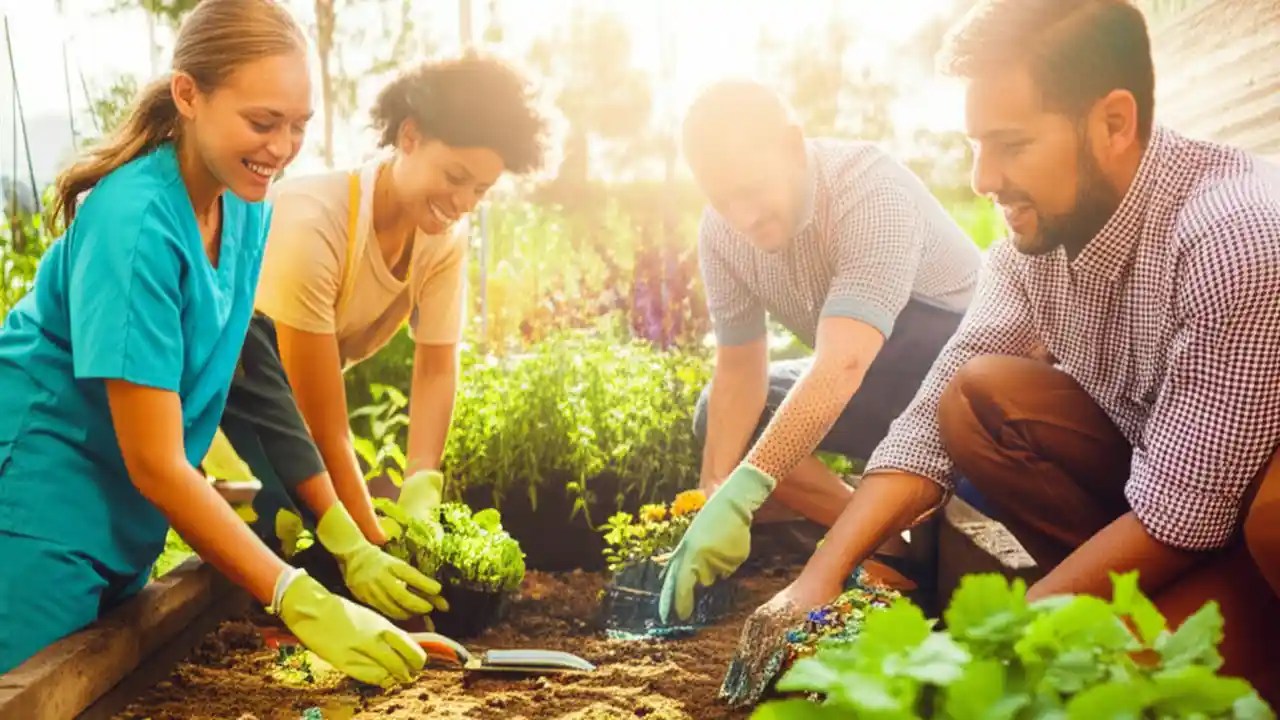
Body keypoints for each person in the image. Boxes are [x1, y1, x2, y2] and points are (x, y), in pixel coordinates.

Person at [728, 0, 1280, 705]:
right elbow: (932, 419)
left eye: (1012, 144)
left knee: (1082, 688)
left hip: (1247, 533)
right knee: (978, 396)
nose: (984, 178)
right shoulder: (1041, 239)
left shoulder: (1237, 239)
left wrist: (994, 649)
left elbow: (1182, 519)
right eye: (976, 145)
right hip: (1182, 500)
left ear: (1115, 123)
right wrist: (819, 577)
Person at [0, 0, 429, 687]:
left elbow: (246, 374)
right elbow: (157, 465)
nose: (283, 148)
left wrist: (344, 538)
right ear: (187, 94)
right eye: (262, 122)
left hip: (121, 519)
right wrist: (298, 596)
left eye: (298, 126)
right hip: (39, 505)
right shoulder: (134, 222)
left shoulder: (246, 203)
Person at [213, 53, 549, 608]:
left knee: (335, 537)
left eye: (481, 190)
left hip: (283, 404)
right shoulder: (312, 221)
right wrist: (373, 547)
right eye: (455, 177)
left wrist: (421, 483)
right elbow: (317, 423)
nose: (463, 203)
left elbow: (437, 365)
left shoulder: (442, 238)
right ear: (410, 137)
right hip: (227, 390)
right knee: (298, 540)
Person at [658, 80, 984, 623]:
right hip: (868, 382)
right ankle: (889, 548)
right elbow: (740, 371)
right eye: (722, 198)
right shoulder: (721, 233)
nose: (744, 215)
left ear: (791, 146)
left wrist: (747, 491)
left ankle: (877, 541)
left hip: (959, 385)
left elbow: (843, 363)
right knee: (720, 416)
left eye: (753, 189)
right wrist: (713, 495)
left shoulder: (867, 190)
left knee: (767, 445)